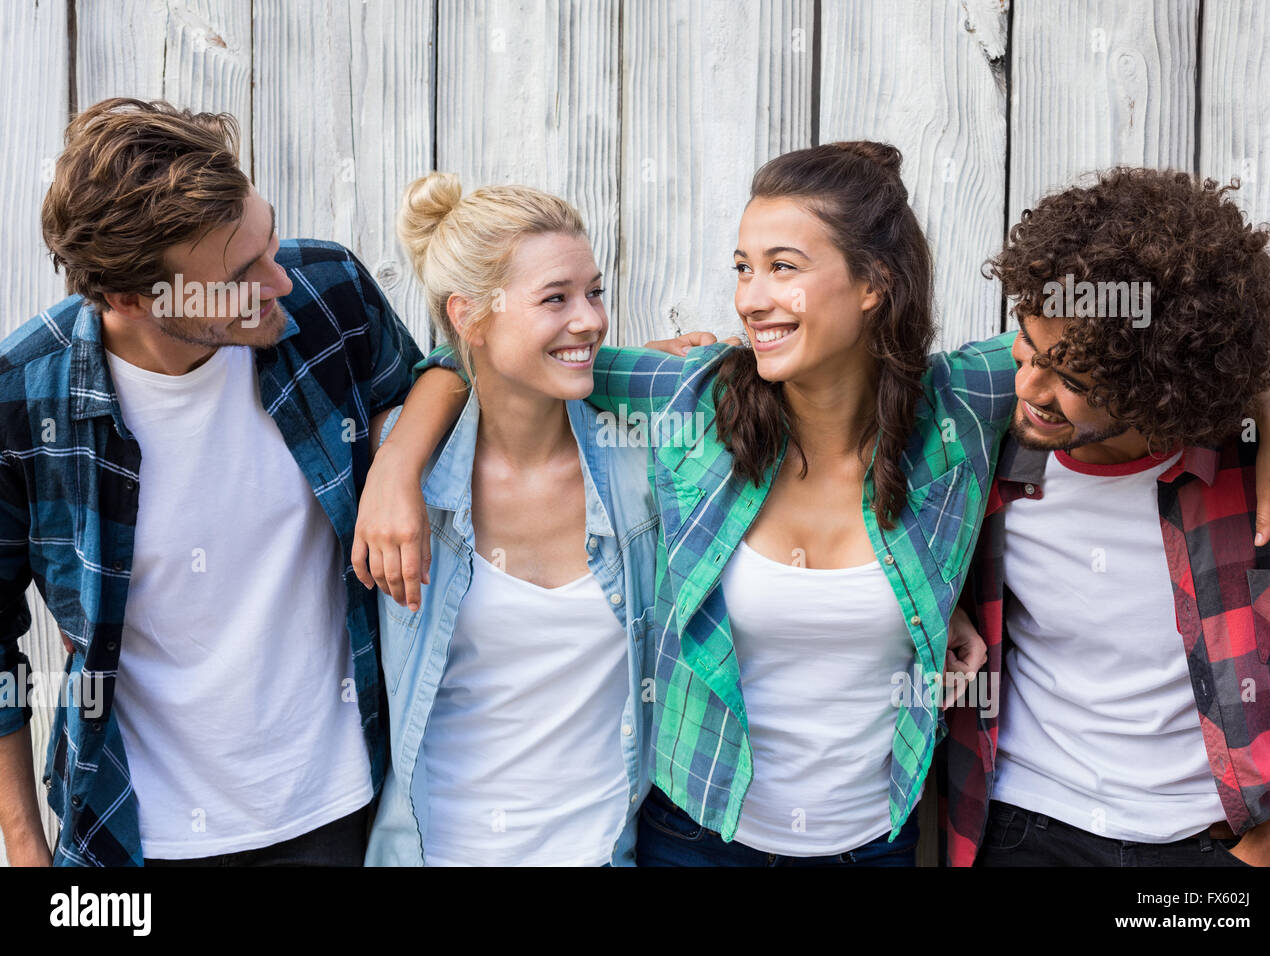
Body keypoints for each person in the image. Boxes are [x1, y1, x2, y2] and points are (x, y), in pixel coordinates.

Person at [358, 141, 1015, 866]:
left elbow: (1076, 343)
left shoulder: (963, 405)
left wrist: (940, 595)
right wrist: (397, 462)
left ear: (873, 284)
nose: (750, 298)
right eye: (743, 268)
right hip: (697, 838)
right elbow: (486, 355)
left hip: (874, 843)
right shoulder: (697, 406)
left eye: (782, 267)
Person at [0, 98, 422, 867]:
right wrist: (26, 850)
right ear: (130, 299)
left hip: (338, 811)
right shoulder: (25, 397)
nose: (278, 282)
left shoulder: (330, 294)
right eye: (239, 275)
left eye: (266, 240)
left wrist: (395, 467)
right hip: (130, 835)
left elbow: (442, 384)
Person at [943, 166, 1270, 867]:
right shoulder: (980, 407)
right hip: (1029, 826)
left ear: (1161, 391)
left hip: (1214, 847)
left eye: (1072, 379)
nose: (1029, 388)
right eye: (1027, 345)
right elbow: (843, 384)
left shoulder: (1261, 462)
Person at [361, 174, 658, 866]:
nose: (589, 319)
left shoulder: (641, 469)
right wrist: (398, 459)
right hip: (439, 852)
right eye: (554, 298)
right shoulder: (403, 468)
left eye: (593, 291)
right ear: (469, 315)